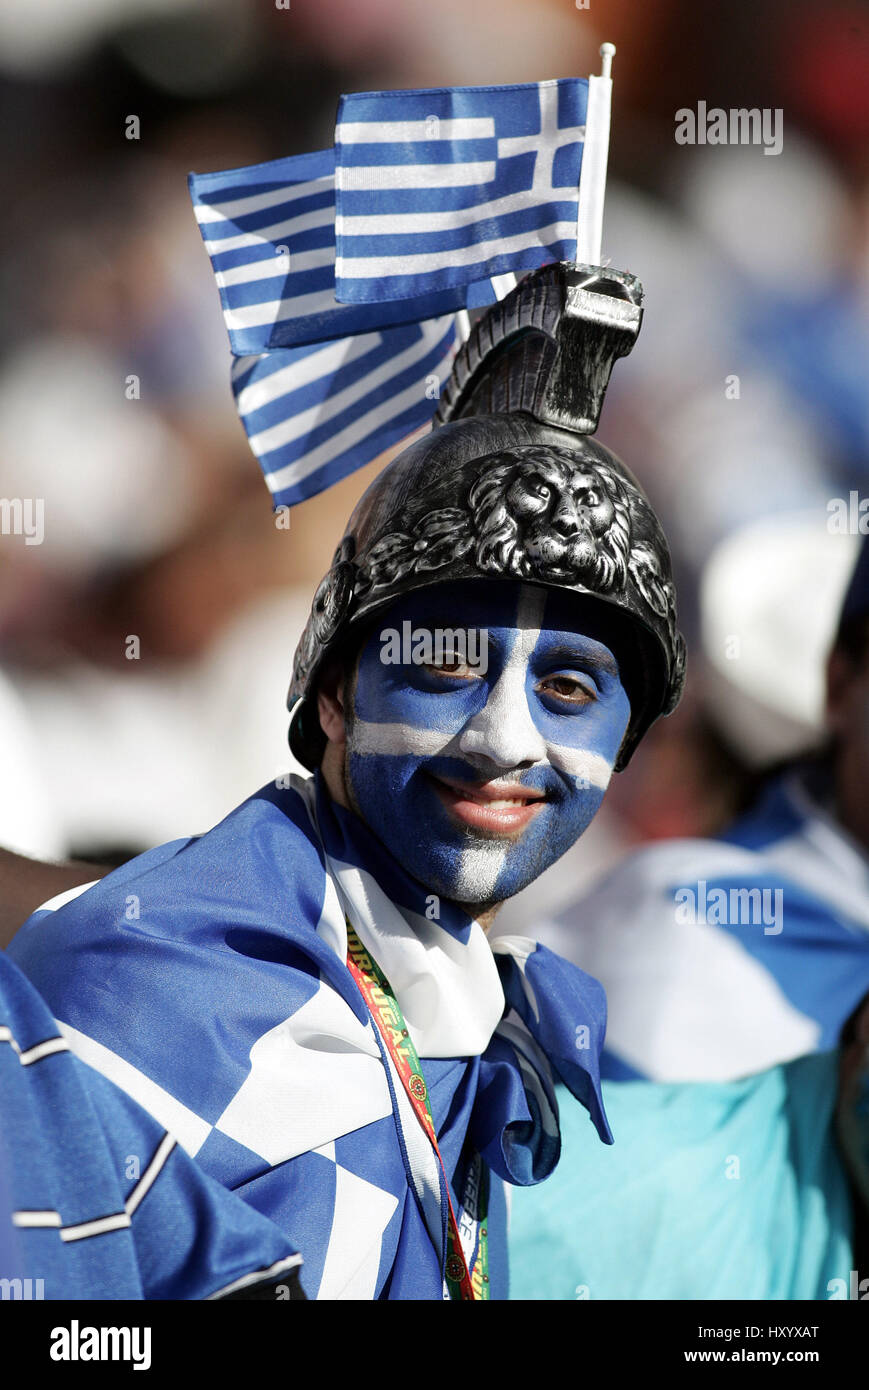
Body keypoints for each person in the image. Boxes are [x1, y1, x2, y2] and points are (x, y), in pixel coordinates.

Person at [8, 262, 686, 1300]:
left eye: (565, 684)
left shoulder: (491, 1021)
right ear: (332, 692)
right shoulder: (143, 989)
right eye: (445, 664)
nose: (505, 738)